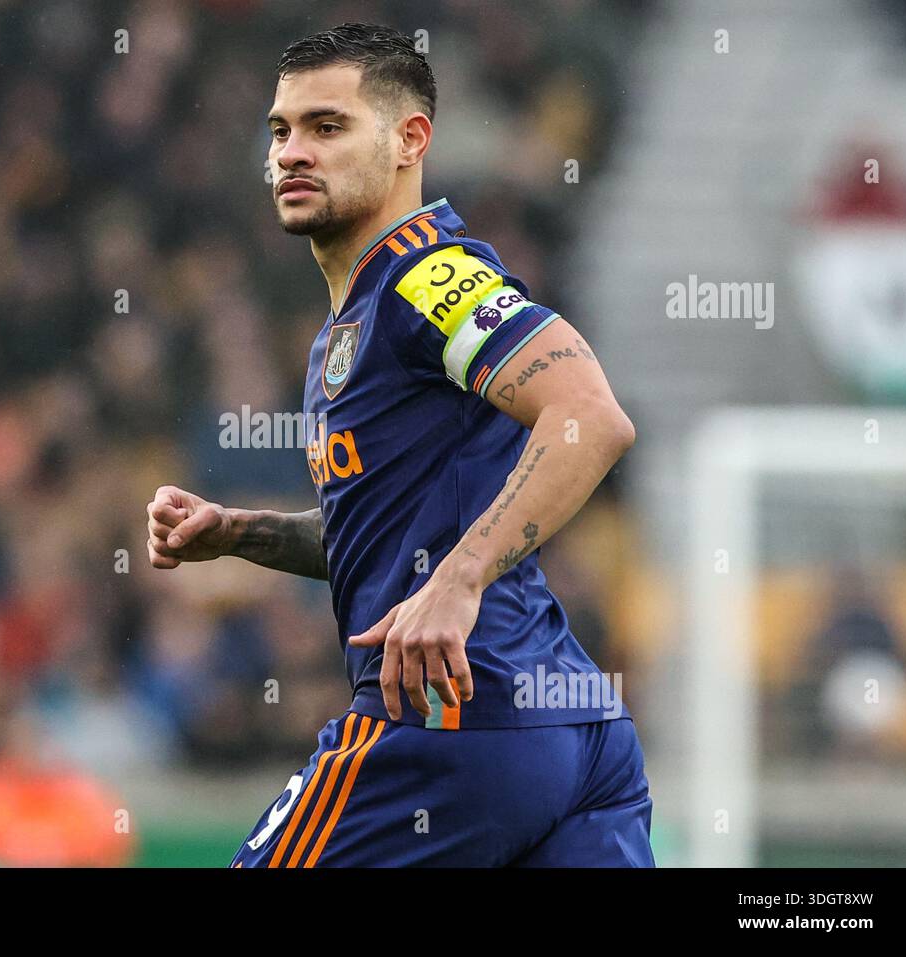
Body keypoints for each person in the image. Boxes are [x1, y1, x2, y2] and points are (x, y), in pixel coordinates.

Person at [146, 23, 653, 867]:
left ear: (410, 139)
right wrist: (243, 533)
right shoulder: (358, 315)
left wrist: (457, 581)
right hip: (569, 730)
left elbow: (590, 416)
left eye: (328, 126)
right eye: (281, 131)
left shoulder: (426, 275)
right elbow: (399, 536)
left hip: (454, 720)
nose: (293, 152)